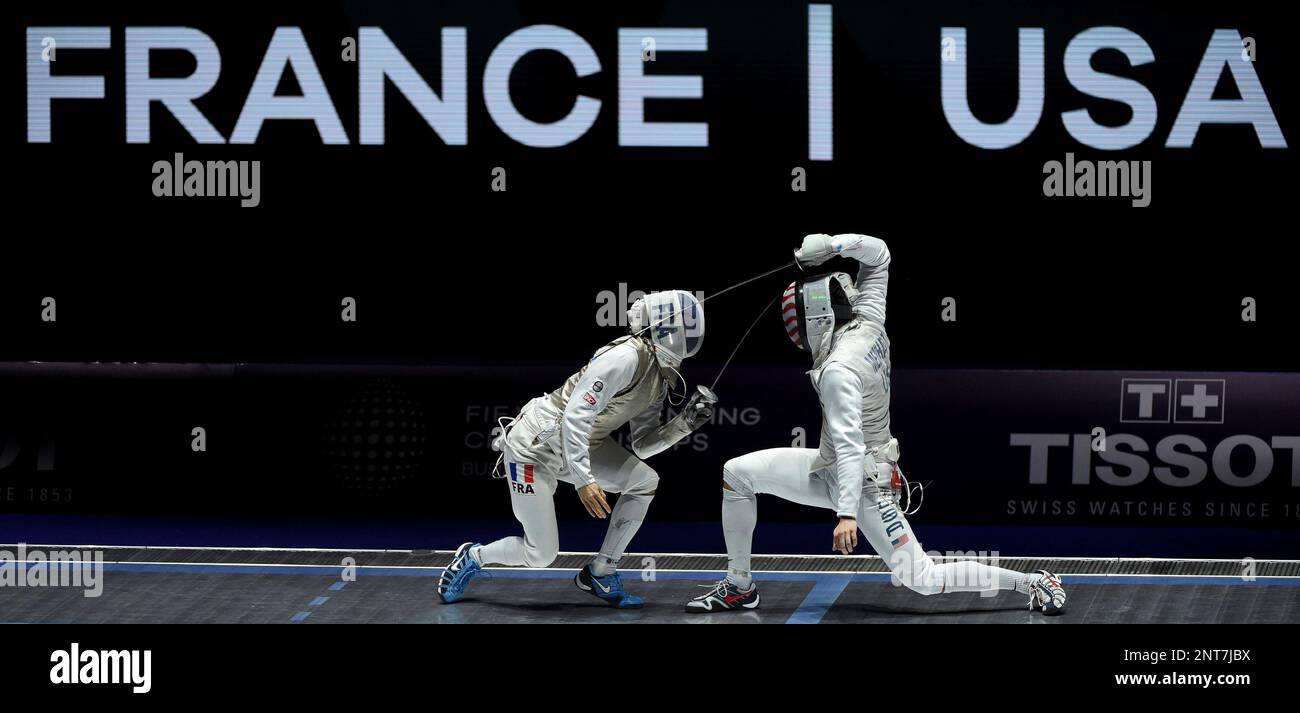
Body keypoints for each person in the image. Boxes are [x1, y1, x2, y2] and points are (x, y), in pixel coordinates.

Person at [684, 234, 1066, 615]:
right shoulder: (866, 317)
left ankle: (1033, 582)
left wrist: (846, 513)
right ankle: (739, 586)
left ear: (814, 320)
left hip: (867, 484)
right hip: (829, 468)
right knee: (737, 473)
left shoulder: (838, 371)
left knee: (925, 580)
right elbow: (879, 255)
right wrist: (833, 246)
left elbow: (852, 445)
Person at [439, 290, 714, 608]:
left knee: (644, 481)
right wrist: (584, 479)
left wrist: (684, 425)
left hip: (583, 444)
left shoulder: (661, 376)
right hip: (534, 447)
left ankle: (601, 571)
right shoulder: (624, 357)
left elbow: (643, 445)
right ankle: (474, 555)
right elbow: (574, 415)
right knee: (541, 554)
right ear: (661, 326)